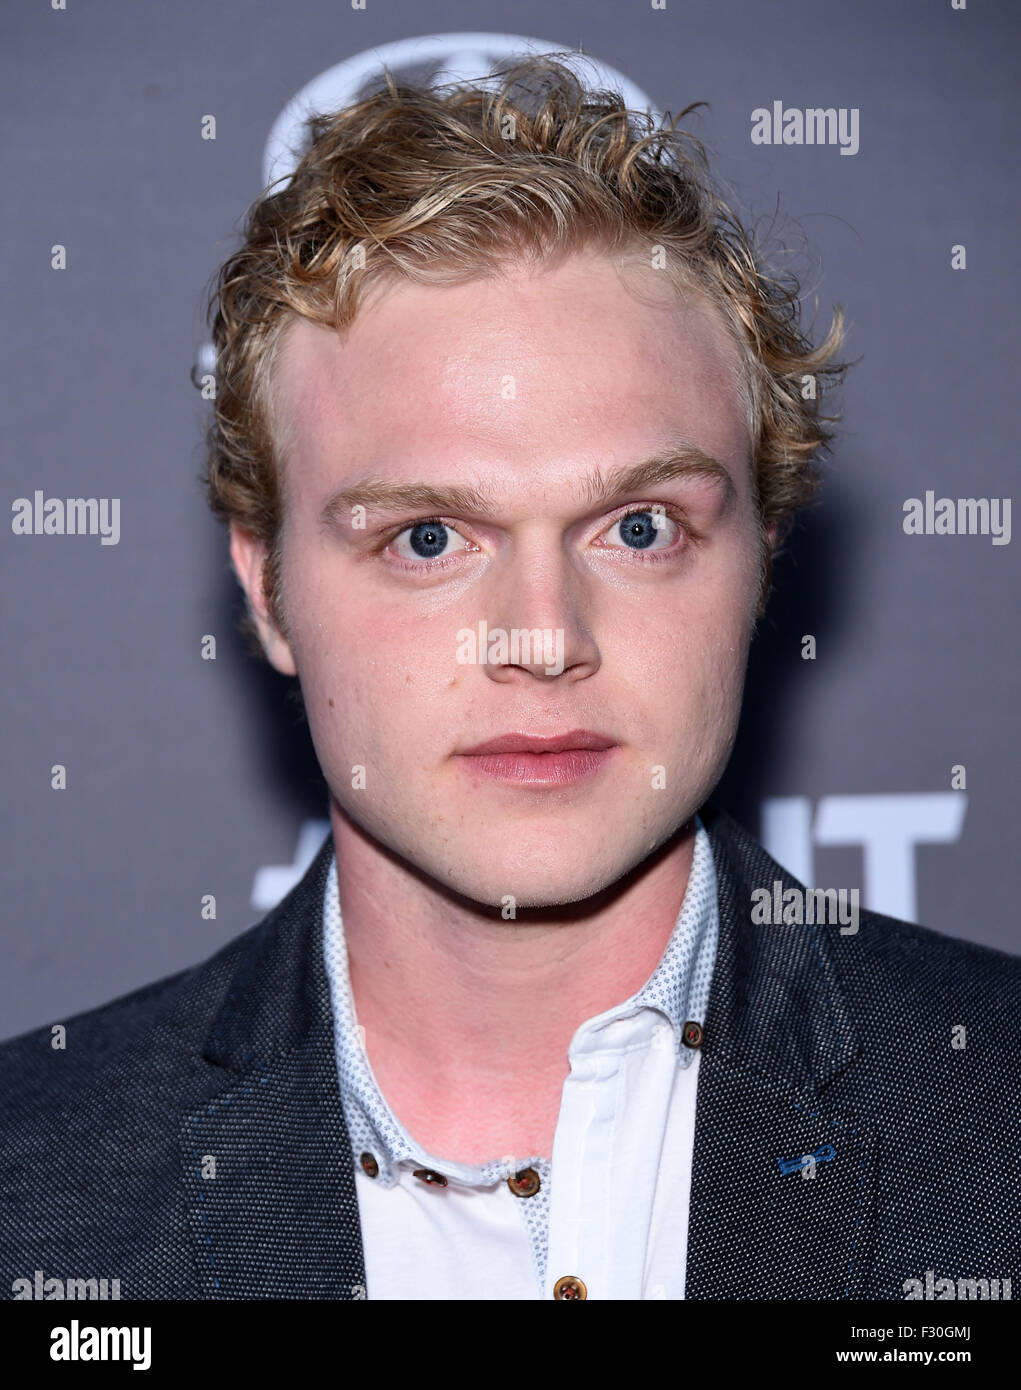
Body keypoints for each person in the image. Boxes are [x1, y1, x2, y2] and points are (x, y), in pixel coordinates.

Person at [2, 54, 1017, 1302]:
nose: (540, 638)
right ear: (267, 590)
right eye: (427, 538)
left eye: (638, 527)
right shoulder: (29, 1188)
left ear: (764, 557)